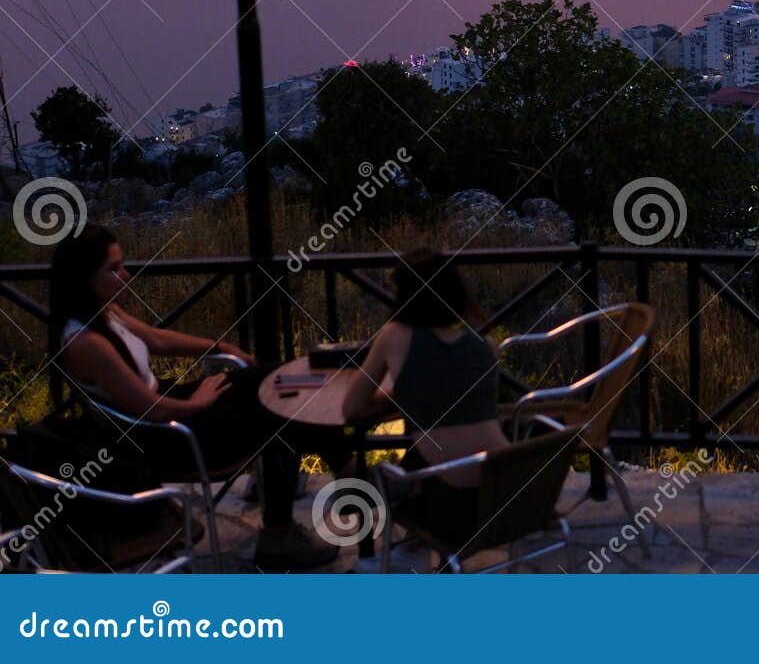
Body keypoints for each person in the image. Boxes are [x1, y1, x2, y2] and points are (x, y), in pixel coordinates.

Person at [48, 225, 338, 569]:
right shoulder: (86, 342)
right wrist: (199, 401)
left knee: (277, 378)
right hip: (165, 435)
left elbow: (157, 340)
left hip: (176, 405)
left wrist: (220, 348)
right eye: (113, 269)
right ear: (84, 278)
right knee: (278, 411)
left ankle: (305, 484)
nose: (125, 275)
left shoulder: (102, 310)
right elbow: (150, 409)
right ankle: (280, 532)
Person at [343, 251, 505, 549]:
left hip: (450, 513)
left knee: (368, 481)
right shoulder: (487, 348)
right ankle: (415, 550)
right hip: (506, 500)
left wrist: (402, 394)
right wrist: (410, 393)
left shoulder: (394, 336)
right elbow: (459, 402)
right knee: (420, 452)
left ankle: (391, 554)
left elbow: (351, 409)